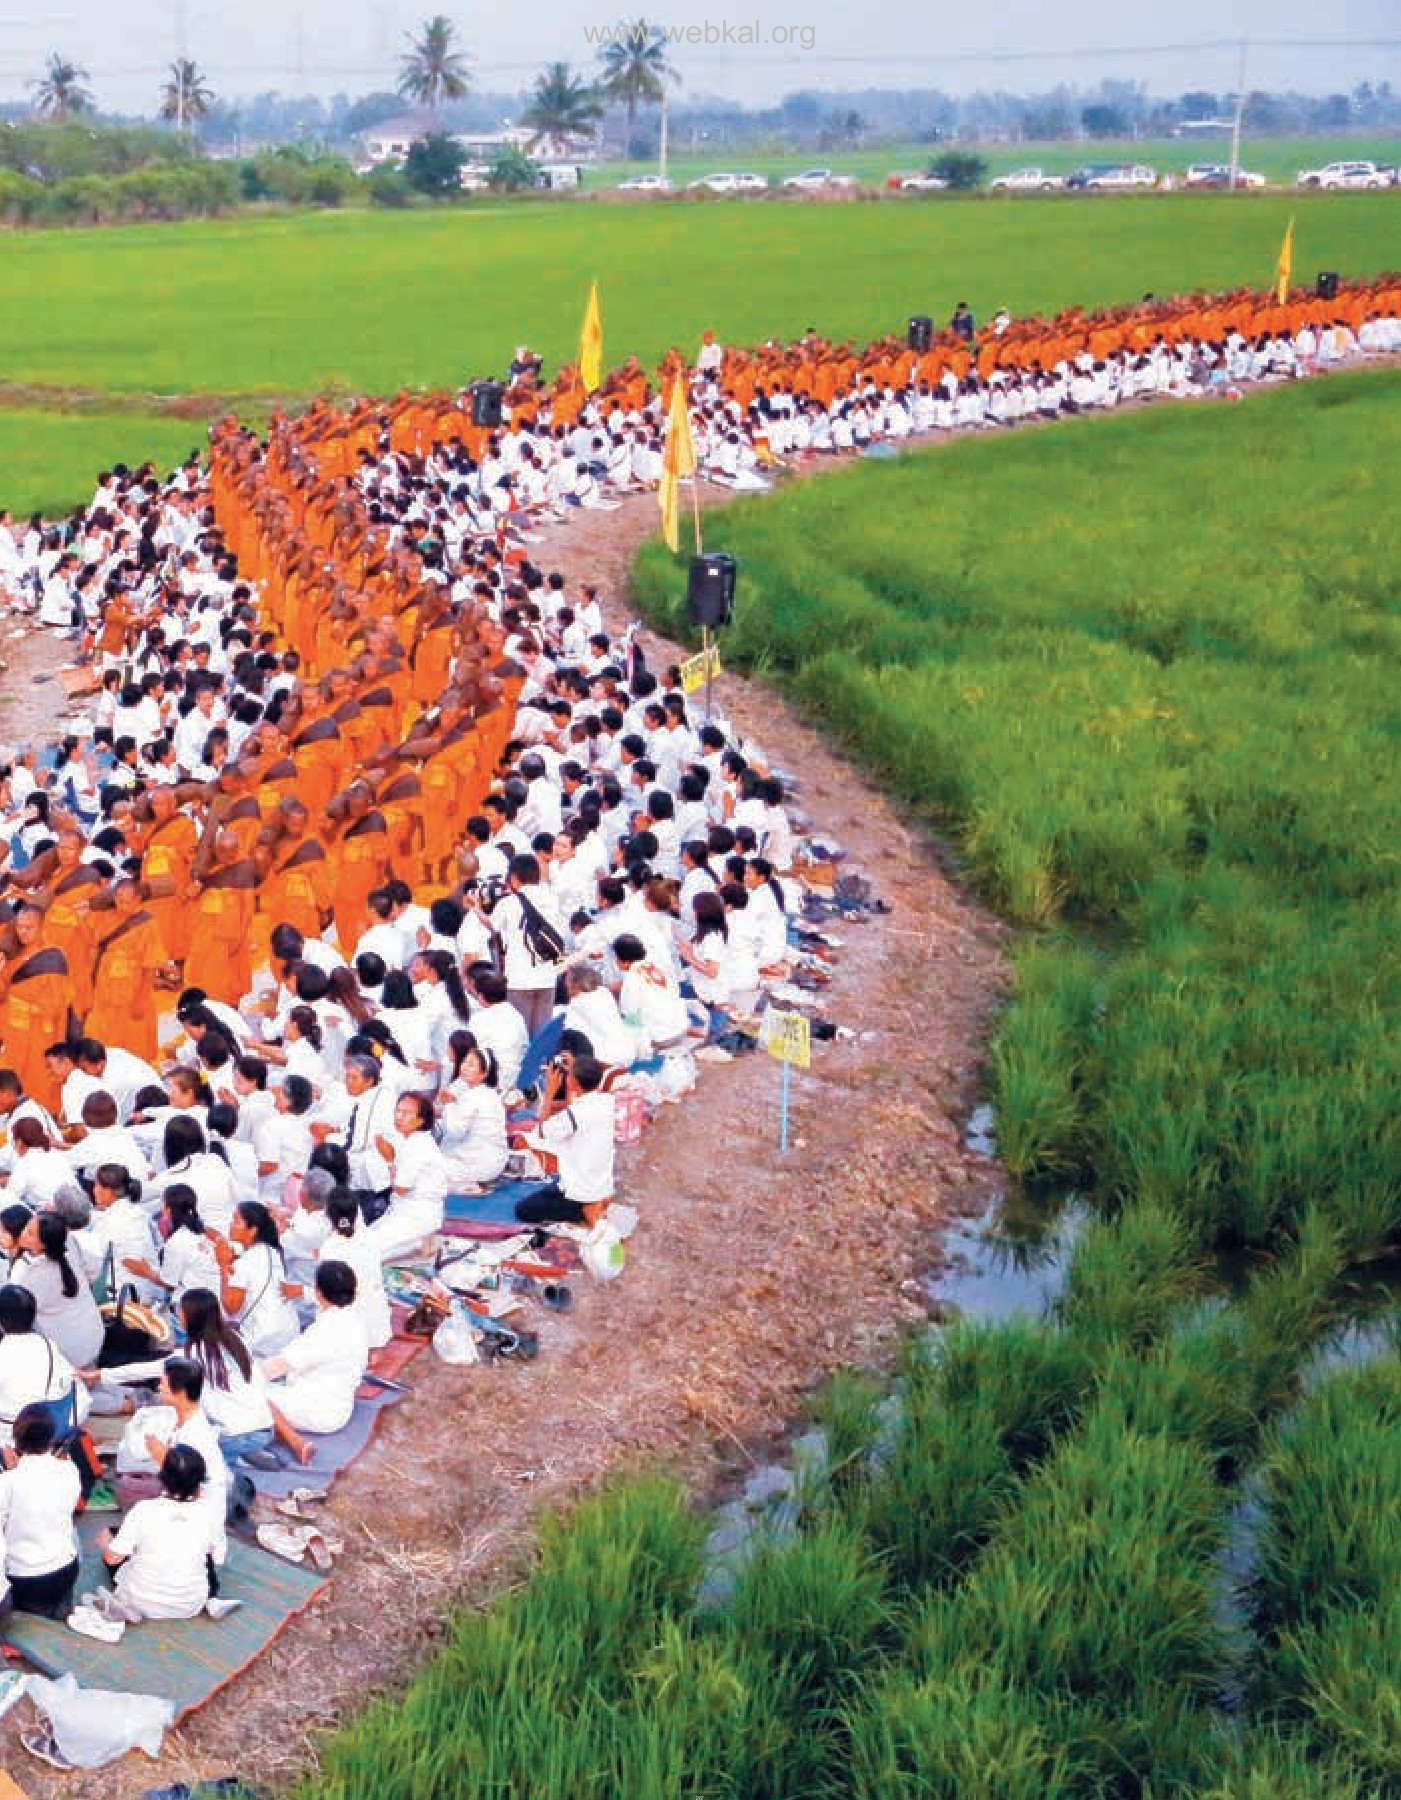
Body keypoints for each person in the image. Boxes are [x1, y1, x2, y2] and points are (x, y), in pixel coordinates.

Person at [94, 1442, 223, 1622]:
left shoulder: (144, 1509)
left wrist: (106, 1544)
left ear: (163, 1478)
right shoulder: (211, 1512)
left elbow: (112, 1558)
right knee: (204, 1555)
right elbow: (217, 1558)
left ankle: (123, 1606)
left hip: (139, 1600)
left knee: (114, 1548)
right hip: (189, 1604)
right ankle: (212, 1600)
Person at [259, 1261, 368, 1466]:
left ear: (319, 1292)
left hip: (320, 1411)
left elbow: (277, 1367)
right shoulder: (352, 1318)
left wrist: (238, 1375)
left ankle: (295, 1441)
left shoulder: (325, 1332)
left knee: (248, 1398)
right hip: (338, 1404)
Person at [0, 1403, 82, 1619]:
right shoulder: (69, 1469)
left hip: (26, 1577)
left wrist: (12, 1473)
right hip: (66, 1567)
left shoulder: (8, 1482)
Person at [516, 1053, 615, 1226]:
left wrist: (550, 1092)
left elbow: (541, 1132)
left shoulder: (576, 1114)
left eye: (569, 1075)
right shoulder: (606, 1102)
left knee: (524, 1209)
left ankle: (584, 1210)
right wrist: (575, 1070)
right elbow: (578, 1107)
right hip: (600, 1185)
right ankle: (592, 1204)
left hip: (582, 1193)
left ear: (574, 1082)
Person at [13, 1213, 103, 1369]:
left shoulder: (30, 1273)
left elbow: (14, 1315)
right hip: (94, 1336)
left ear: (43, 1245)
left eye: (30, 1233)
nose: (23, 1233)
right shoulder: (70, 1246)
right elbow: (94, 1271)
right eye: (27, 1226)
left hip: (67, 1355)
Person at [211, 1200, 299, 1356]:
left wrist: (223, 1265)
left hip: (262, 1339)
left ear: (252, 1231)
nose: (231, 1224)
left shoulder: (242, 1264)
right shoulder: (272, 1251)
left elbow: (231, 1308)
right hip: (288, 1330)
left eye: (236, 1221)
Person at [367, 1091, 448, 1260]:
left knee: (367, 1253)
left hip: (417, 1216)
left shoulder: (416, 1146)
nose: (400, 1117)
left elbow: (401, 1189)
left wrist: (389, 1159)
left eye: (407, 1113)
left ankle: (420, 1243)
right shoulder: (414, 1140)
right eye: (398, 1111)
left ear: (420, 1121)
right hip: (409, 1211)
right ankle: (420, 1242)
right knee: (363, 1241)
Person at [438, 1039, 509, 1192]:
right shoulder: (486, 1092)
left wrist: (449, 1104)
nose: (464, 1067)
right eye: (464, 1062)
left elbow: (454, 1131)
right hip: (492, 1163)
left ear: (483, 1074)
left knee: (425, 1167)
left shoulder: (474, 1096)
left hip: (478, 1165)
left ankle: (468, 1187)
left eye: (471, 1065)